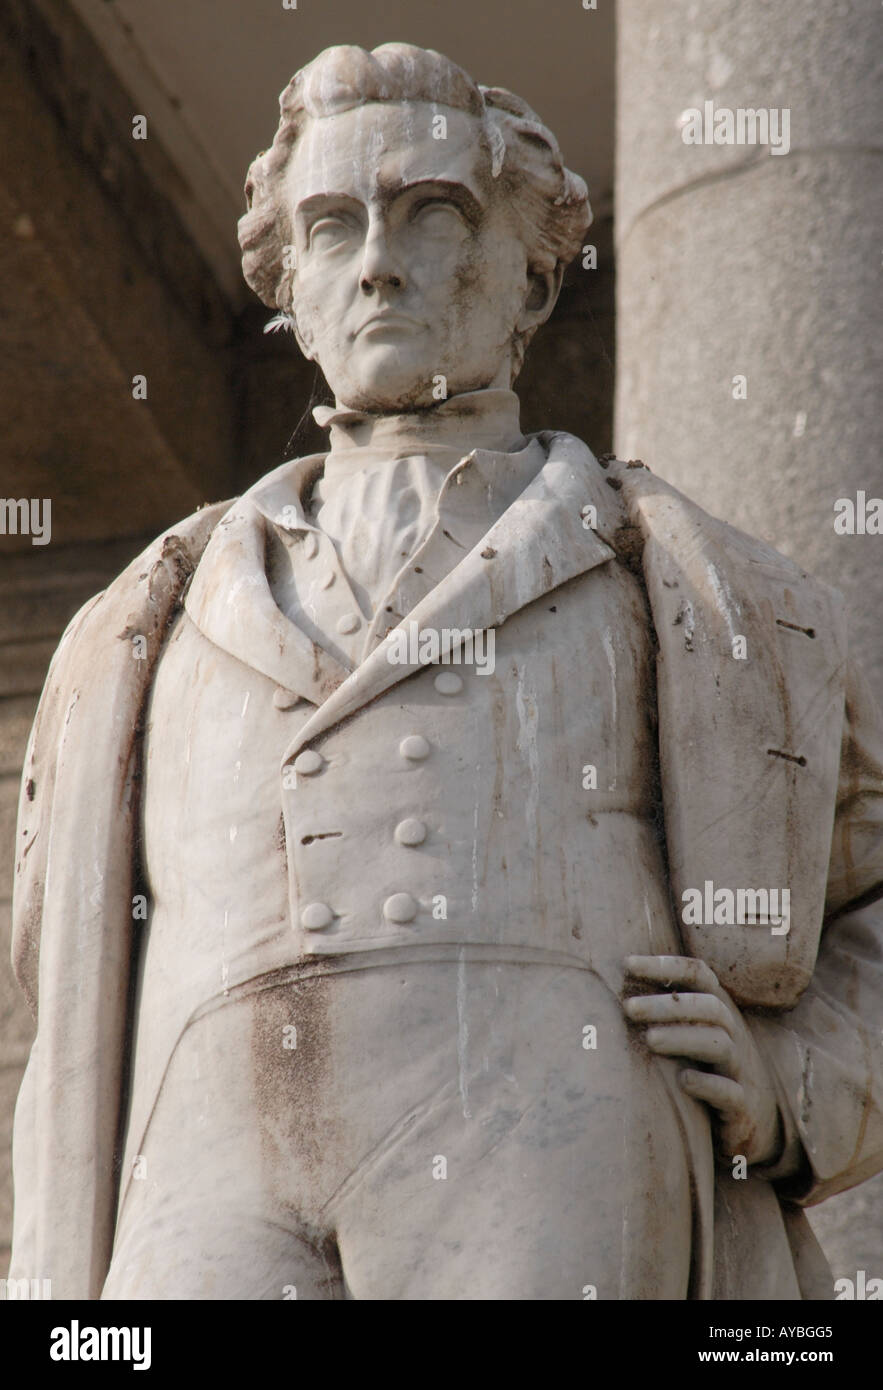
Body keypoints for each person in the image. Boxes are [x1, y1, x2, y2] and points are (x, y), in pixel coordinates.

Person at [10, 43, 883, 1300]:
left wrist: (796, 1083)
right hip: (201, 1157)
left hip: (552, 1124)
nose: (377, 260)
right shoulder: (139, 624)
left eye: (431, 215)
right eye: (331, 226)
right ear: (292, 294)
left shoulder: (694, 584)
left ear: (531, 279)